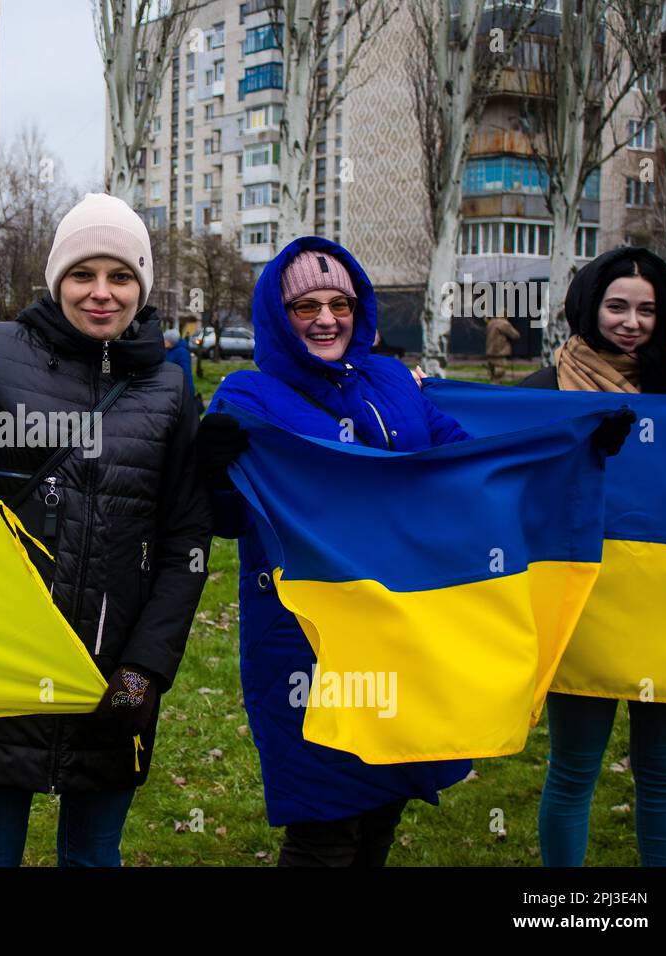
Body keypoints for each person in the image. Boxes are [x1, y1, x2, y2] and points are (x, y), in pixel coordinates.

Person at [0, 194, 212, 867]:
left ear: (142, 287)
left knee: (92, 858)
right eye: (84, 273)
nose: (102, 293)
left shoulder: (171, 389)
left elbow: (187, 543)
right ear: (58, 280)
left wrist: (146, 670)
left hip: (112, 675)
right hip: (0, 667)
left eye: (121, 276)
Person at [195, 236, 476, 866]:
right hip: (305, 637)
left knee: (381, 807)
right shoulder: (248, 397)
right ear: (278, 316)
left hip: (402, 625)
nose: (326, 318)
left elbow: (463, 460)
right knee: (324, 821)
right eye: (305, 307)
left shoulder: (394, 382)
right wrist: (212, 468)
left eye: (339, 303)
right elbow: (228, 517)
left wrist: (573, 443)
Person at [522, 246, 666, 866]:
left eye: (647, 310)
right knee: (572, 770)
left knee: (660, 771)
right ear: (588, 306)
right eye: (616, 305)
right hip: (582, 609)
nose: (631, 321)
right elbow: (493, 473)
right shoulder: (541, 395)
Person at [485, 312, 521, 384]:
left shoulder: (491, 322)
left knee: (493, 374)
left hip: (490, 351)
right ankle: (495, 390)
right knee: (499, 373)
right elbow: (515, 335)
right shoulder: (504, 324)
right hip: (500, 352)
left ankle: (491, 389)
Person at [163, 328, 195, 395]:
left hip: (181, 388)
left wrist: (189, 390)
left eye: (166, 340)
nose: (163, 341)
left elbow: (186, 372)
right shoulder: (169, 350)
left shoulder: (182, 352)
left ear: (171, 341)